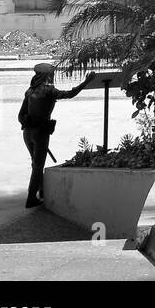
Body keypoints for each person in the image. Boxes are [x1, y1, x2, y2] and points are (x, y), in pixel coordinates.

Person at [18, 63, 94, 208]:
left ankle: (41, 191)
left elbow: (20, 115)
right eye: (52, 74)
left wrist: (29, 123)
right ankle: (31, 198)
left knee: (36, 164)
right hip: (40, 133)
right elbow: (69, 94)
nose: (53, 76)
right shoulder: (49, 91)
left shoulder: (29, 91)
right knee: (38, 166)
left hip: (27, 133)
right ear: (47, 75)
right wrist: (86, 81)